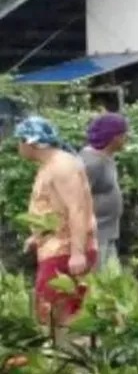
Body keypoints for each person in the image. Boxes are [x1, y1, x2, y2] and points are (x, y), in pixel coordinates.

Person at [17, 116, 98, 329]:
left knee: (59, 313)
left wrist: (78, 252)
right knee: (50, 311)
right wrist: (38, 235)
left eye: (20, 141)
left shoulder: (62, 166)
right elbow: (56, 209)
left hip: (65, 250)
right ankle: (59, 352)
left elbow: (77, 208)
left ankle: (64, 354)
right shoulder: (51, 164)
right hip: (55, 247)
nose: (18, 147)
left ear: (30, 142)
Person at [81, 112, 129, 270]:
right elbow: (77, 199)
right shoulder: (92, 163)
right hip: (95, 236)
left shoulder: (107, 158)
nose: (126, 138)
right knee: (99, 284)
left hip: (107, 233)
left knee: (114, 283)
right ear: (114, 137)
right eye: (124, 134)